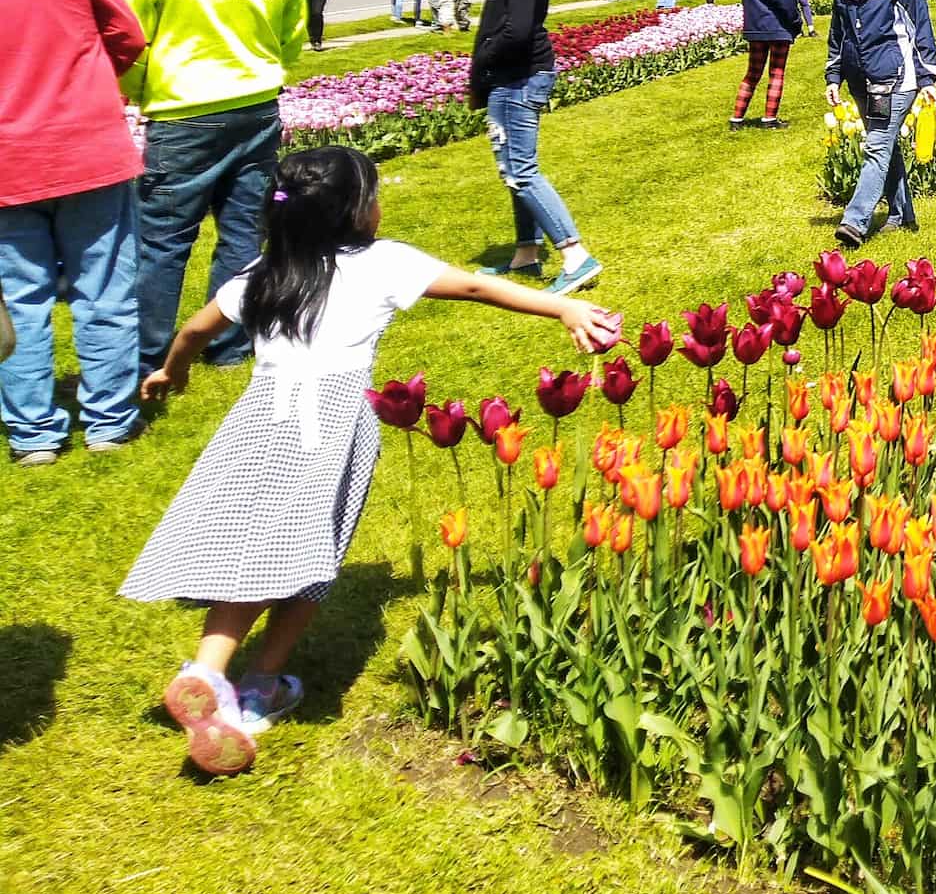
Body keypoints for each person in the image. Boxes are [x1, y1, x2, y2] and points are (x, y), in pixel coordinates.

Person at [121, 145, 620, 775]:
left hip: (257, 426)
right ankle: (258, 690)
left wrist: (172, 372)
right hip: (328, 432)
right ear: (358, 213)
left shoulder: (261, 273)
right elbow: (471, 285)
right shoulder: (382, 263)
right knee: (310, 559)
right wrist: (564, 305)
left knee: (251, 553)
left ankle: (207, 671)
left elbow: (194, 330)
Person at [116, 0, 306, 376]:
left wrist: (137, 89)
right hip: (257, 109)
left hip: (183, 113)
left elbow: (124, 37)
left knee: (163, 241)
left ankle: (147, 355)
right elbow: (292, 38)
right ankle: (229, 347)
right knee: (243, 234)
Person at [0, 0, 150, 463]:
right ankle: (110, 422)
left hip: (8, 162)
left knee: (19, 301)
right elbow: (129, 37)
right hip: (87, 148)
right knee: (104, 291)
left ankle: (33, 434)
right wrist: (84, 80)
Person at [469, 0, 602, 293]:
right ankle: (526, 253)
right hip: (510, 78)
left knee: (522, 170)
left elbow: (518, 30)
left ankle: (575, 255)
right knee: (512, 168)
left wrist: (485, 56)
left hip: (519, 78)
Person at [826, 0, 936, 246]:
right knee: (886, 147)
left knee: (876, 146)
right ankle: (902, 213)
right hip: (861, 80)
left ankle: (855, 222)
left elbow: (922, 32)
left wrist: (928, 78)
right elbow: (838, 34)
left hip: (895, 80)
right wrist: (834, 75)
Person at [731, 0, 802, 131]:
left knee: (752, 72)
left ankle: (737, 117)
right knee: (776, 72)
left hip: (755, 25)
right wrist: (796, 22)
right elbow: (785, 0)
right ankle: (769, 117)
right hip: (777, 26)